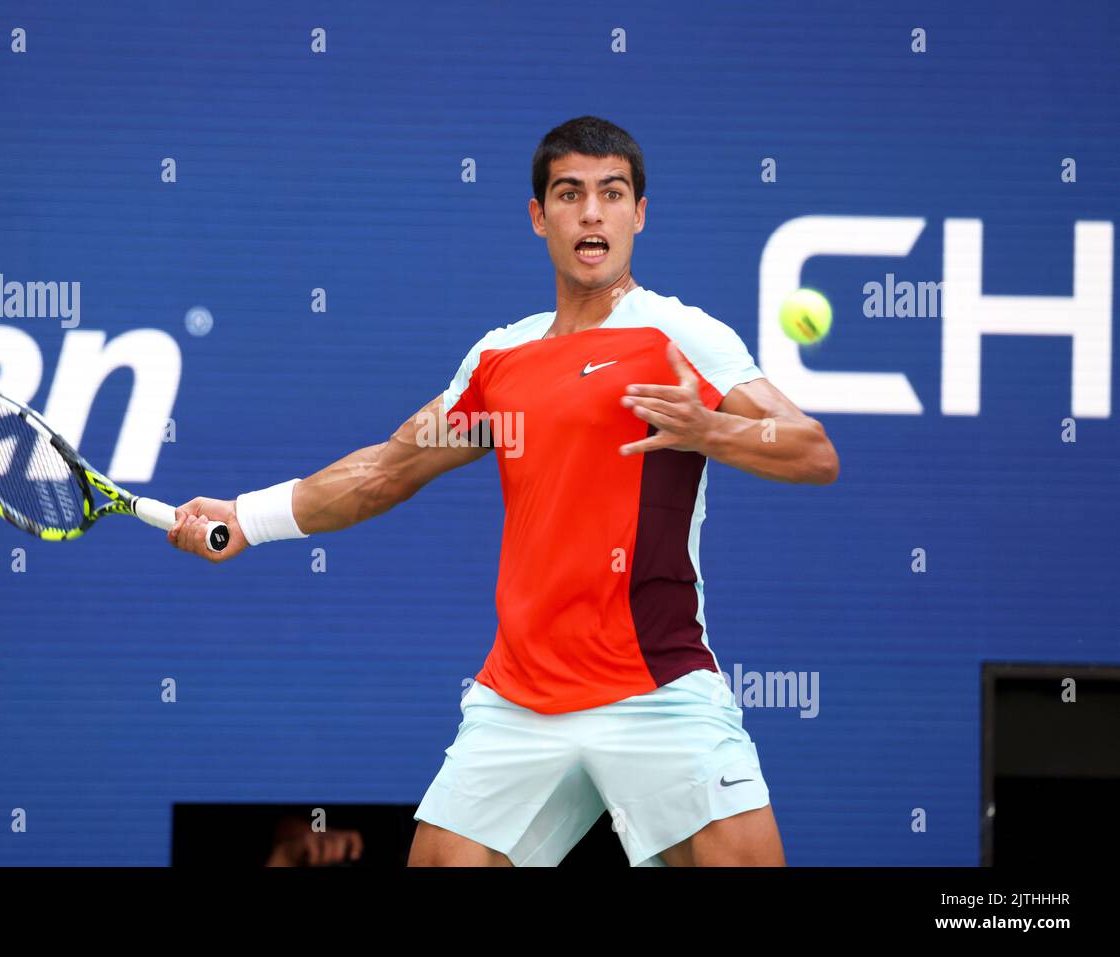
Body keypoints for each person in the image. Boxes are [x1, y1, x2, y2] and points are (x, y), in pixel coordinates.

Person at [169, 116, 839, 867]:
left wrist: (709, 430)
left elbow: (813, 451)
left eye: (612, 194)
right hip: (519, 697)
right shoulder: (501, 359)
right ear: (538, 216)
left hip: (656, 685)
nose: (592, 211)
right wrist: (247, 518)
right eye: (570, 193)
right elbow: (389, 469)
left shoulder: (683, 337)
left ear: (639, 213)